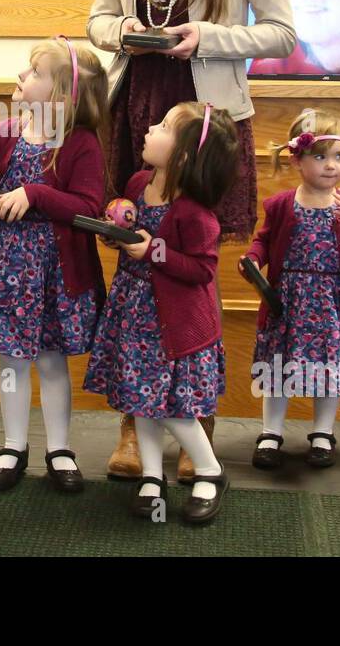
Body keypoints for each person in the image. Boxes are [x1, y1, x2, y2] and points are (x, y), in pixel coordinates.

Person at [86, 0, 295, 481]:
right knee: (134, 256)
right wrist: (125, 33)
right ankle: (133, 421)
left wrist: (206, 37)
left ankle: (195, 421)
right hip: (138, 108)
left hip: (205, 119)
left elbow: (280, 33)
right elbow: (98, 18)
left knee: (193, 265)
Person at [0, 37, 109, 494]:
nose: (22, 77)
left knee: (51, 360)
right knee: (11, 360)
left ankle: (59, 449)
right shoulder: (5, 132)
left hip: (55, 272)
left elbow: (88, 204)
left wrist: (35, 195)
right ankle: (12, 445)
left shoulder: (80, 144)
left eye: (36, 72)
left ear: (62, 96)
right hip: (7, 266)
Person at [85, 102, 237, 524]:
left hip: (173, 327)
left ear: (185, 156)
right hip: (134, 314)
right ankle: (152, 478)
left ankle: (210, 470)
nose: (150, 128)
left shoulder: (194, 213)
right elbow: (133, 235)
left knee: (173, 408)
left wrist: (153, 249)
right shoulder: (138, 183)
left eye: (165, 126)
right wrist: (117, 235)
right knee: (142, 401)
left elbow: (201, 269)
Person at [241, 109, 340, 470]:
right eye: (320, 157)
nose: (331, 165)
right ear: (296, 160)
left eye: (338, 156)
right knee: (278, 369)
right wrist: (253, 260)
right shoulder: (280, 205)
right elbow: (264, 240)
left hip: (333, 303)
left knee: (330, 370)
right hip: (289, 302)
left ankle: (323, 432)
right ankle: (271, 432)